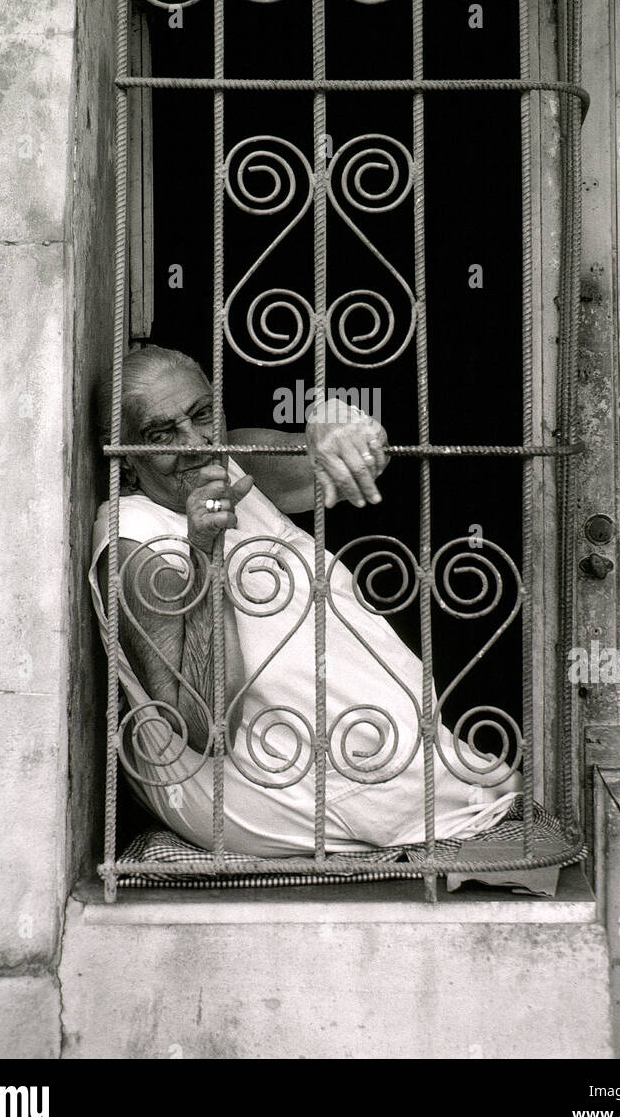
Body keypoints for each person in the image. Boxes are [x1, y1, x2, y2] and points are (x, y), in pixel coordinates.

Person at [89, 345, 521, 858]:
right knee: (484, 797)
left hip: (325, 740)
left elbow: (331, 459)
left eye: (203, 414)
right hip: (240, 780)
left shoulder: (230, 460)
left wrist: (330, 418)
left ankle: (426, 774)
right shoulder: (135, 538)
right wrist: (205, 552)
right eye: (161, 435)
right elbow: (200, 723)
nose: (197, 443)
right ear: (126, 460)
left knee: (480, 783)